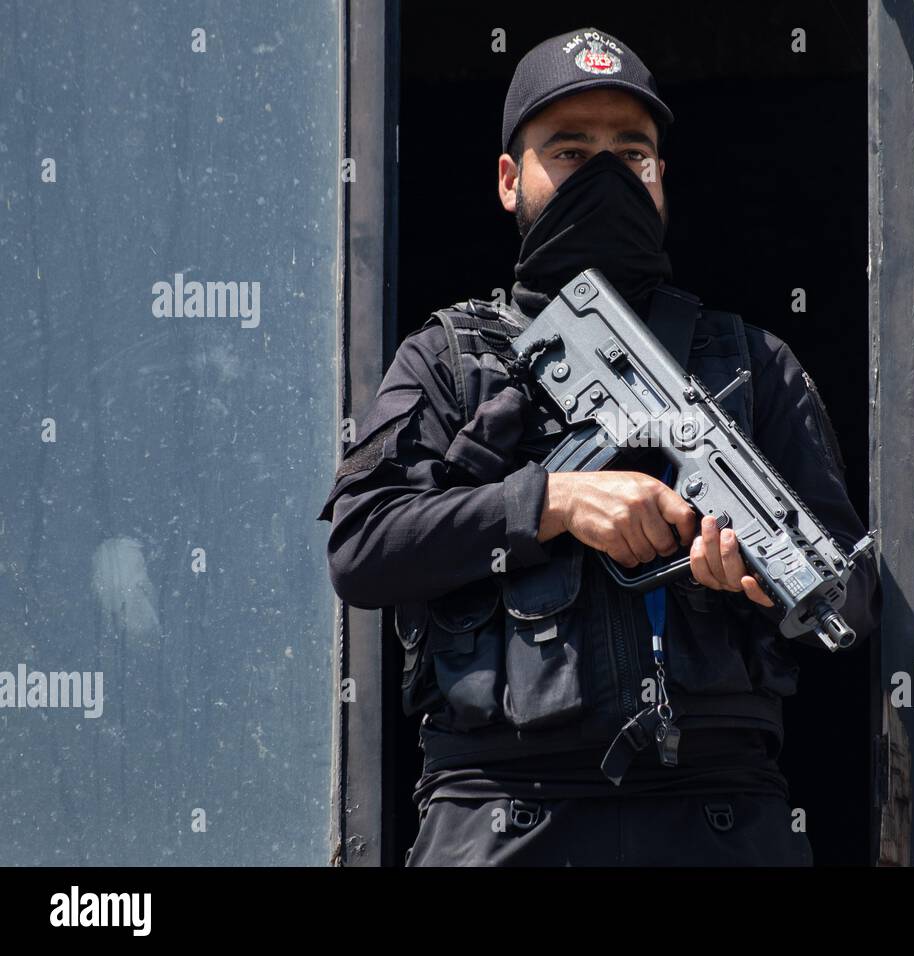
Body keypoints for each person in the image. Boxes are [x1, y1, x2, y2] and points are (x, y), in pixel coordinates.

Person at [317, 26, 878, 866]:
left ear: (663, 177)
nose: (610, 174)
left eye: (633, 152)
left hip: (716, 809)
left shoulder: (752, 363)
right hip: (499, 808)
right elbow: (362, 548)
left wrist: (758, 581)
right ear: (510, 181)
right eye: (573, 153)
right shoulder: (446, 359)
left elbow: (851, 600)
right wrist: (552, 502)